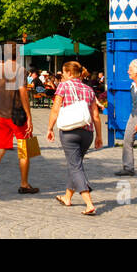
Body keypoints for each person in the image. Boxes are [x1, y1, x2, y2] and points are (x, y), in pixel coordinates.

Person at [46, 61, 103, 215]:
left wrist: (50, 128)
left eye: (63, 73)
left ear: (69, 73)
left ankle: (89, 203)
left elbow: (55, 109)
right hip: (87, 133)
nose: (62, 76)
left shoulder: (63, 86)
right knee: (75, 163)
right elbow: (96, 116)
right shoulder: (89, 89)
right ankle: (67, 197)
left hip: (69, 132)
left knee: (75, 166)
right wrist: (99, 136)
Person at [0, 51, 39, 198]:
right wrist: (29, 115)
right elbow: (23, 92)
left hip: (0, 116)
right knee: (24, 149)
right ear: (18, 55)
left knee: (0, 149)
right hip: (17, 116)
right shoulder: (20, 70)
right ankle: (24, 184)